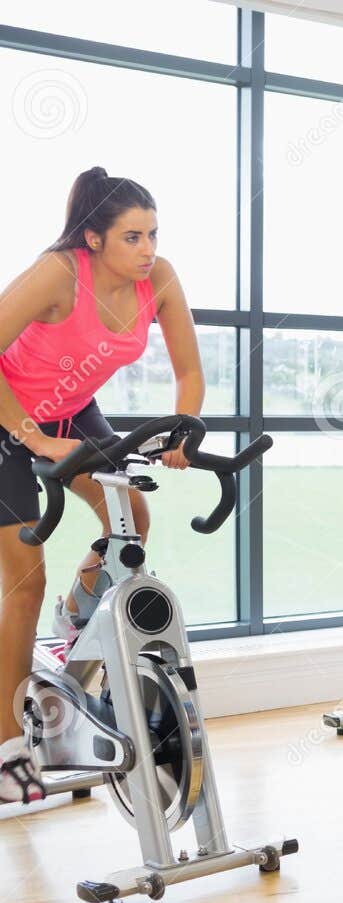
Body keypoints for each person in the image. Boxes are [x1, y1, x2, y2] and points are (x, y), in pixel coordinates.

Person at [0, 168, 210, 803]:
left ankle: (76, 619)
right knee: (22, 580)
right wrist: (33, 437)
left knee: (130, 522)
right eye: (132, 237)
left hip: (73, 411)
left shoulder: (160, 277)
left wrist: (183, 432)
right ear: (93, 239)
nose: (147, 249)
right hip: (9, 414)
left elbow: (190, 369)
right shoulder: (59, 273)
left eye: (152, 234)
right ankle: (9, 747)